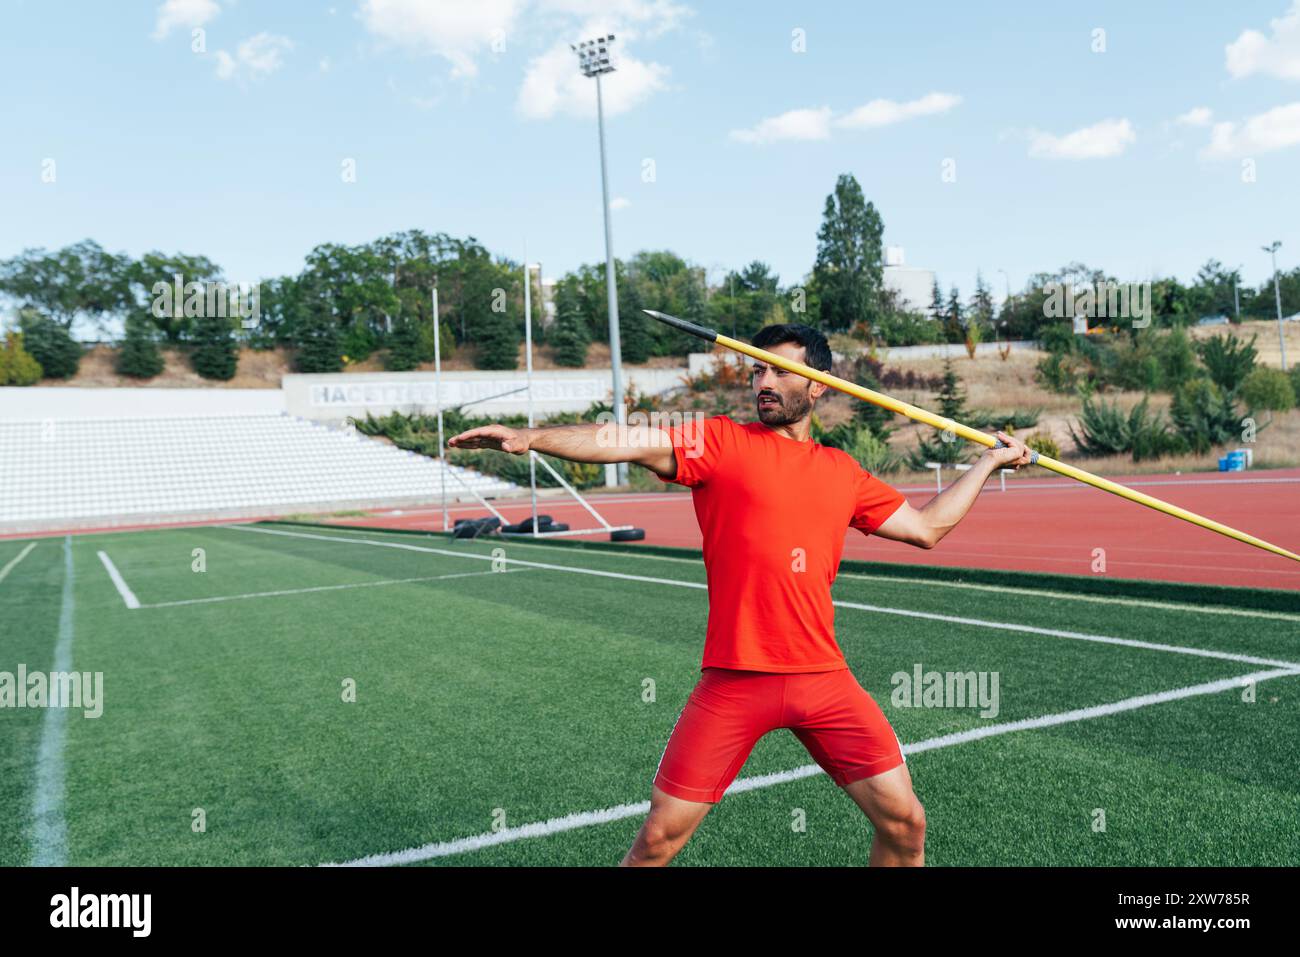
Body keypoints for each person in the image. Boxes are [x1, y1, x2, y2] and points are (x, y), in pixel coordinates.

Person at [448, 323, 1033, 866]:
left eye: (779, 371)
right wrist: (531, 438)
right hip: (735, 678)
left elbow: (927, 528)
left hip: (823, 678)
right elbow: (622, 440)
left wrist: (987, 463)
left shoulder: (842, 472)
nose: (765, 382)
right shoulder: (718, 443)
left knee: (905, 823)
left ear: (819, 386)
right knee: (657, 840)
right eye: (757, 371)